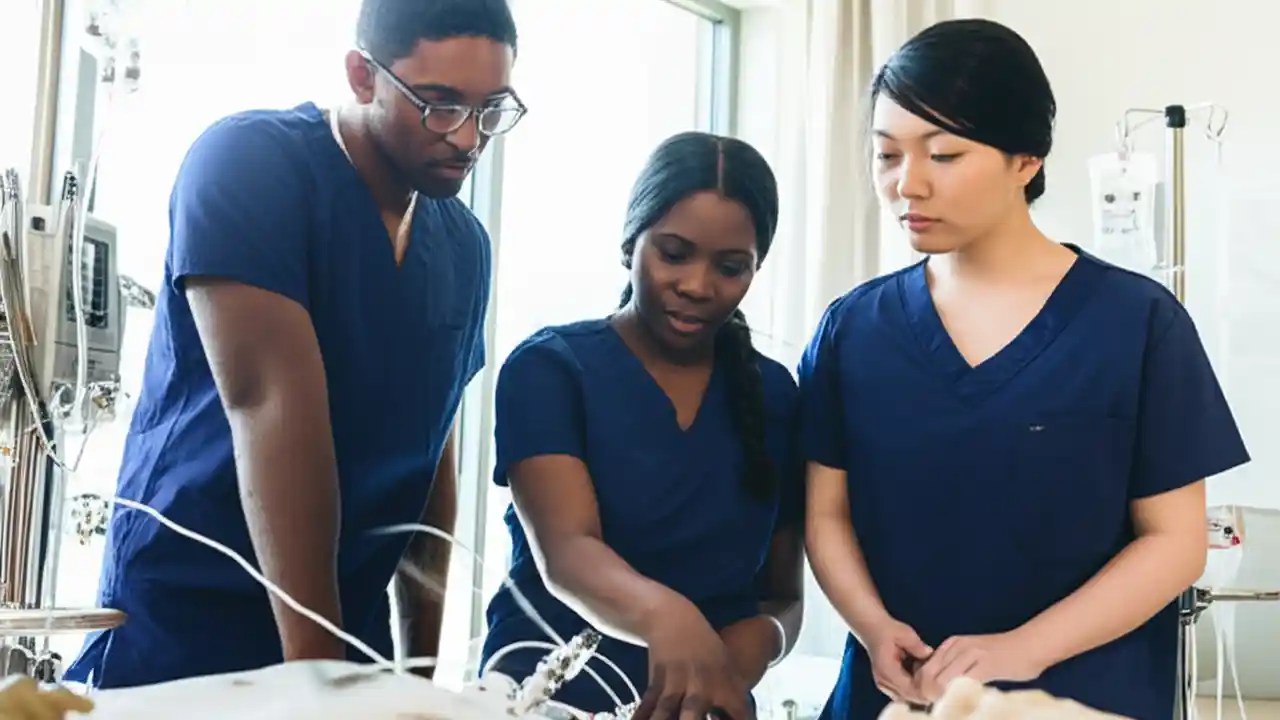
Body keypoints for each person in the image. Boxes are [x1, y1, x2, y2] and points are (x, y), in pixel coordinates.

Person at [67, 0, 525, 689]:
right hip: (191, 625)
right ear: (362, 75)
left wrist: (420, 676)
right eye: (438, 105)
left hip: (348, 633)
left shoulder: (462, 247)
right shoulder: (251, 166)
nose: (468, 138)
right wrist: (319, 684)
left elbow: (432, 463)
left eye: (491, 108)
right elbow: (270, 407)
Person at [801, 18, 1250, 720]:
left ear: (1026, 160)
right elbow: (826, 515)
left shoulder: (1136, 324)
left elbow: (1175, 541)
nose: (906, 185)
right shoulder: (852, 330)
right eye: (886, 156)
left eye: (944, 155)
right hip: (897, 697)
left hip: (1082, 696)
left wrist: (1024, 649)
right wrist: (872, 627)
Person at [479, 132, 805, 719]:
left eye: (730, 267)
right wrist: (669, 617)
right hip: (548, 699)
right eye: (674, 253)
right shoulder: (552, 369)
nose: (698, 285)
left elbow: (782, 596)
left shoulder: (777, 394)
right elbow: (568, 553)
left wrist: (761, 642)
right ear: (631, 242)